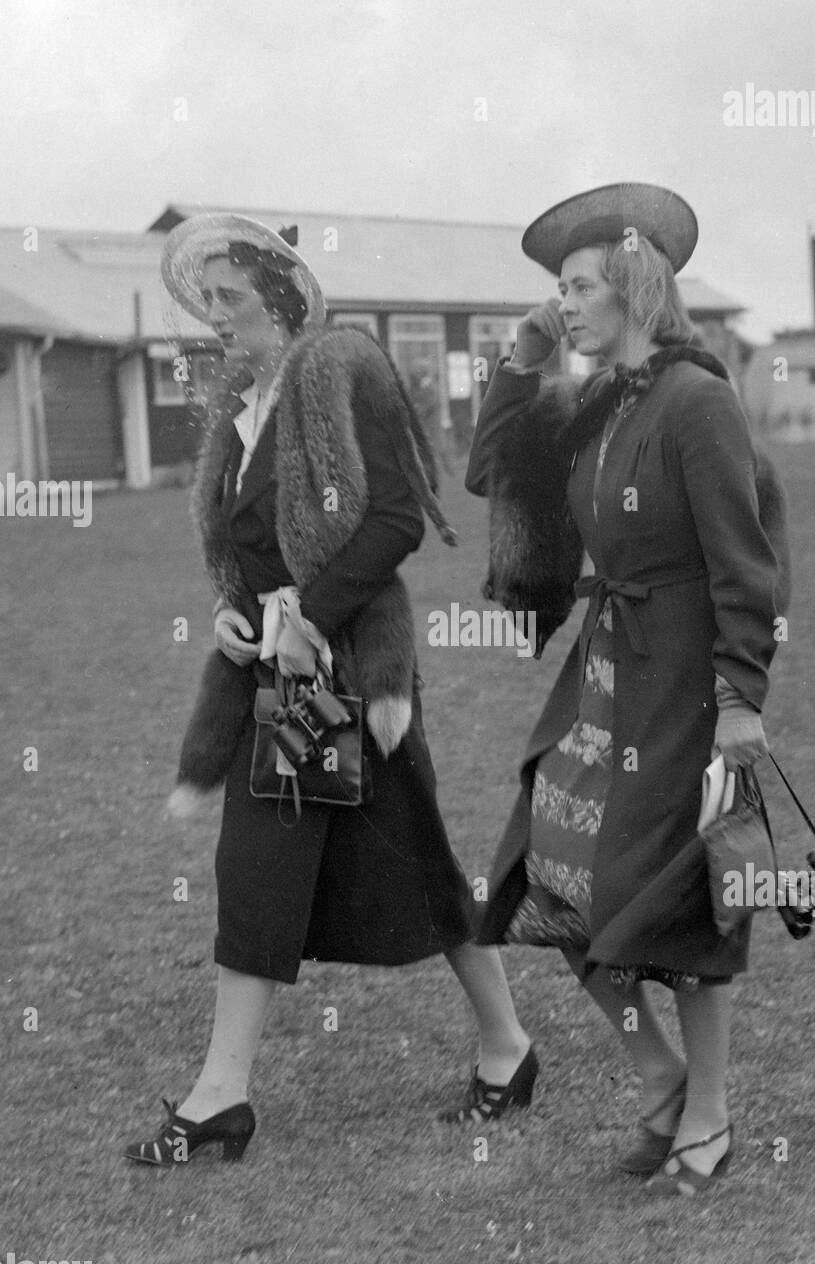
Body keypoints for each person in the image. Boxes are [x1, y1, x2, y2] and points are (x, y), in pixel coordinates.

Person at [125, 215, 534, 1166]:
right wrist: (237, 614)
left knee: (421, 866)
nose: (214, 315)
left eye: (230, 298)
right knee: (257, 862)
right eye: (209, 299)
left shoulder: (342, 370)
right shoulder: (243, 402)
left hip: (354, 672)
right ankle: (223, 1092)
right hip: (280, 672)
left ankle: (506, 1047)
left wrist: (308, 611)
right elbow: (248, 545)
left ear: (282, 297)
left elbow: (396, 515)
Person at [464, 184, 790, 1197]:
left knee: (686, 900)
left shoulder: (696, 398)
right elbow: (491, 467)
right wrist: (522, 357)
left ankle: (708, 1111)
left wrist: (740, 698)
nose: (564, 303)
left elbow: (746, 562)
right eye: (558, 288)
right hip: (604, 673)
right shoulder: (602, 402)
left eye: (580, 286)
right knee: (545, 873)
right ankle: (657, 1071)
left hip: (686, 681)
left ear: (636, 289)